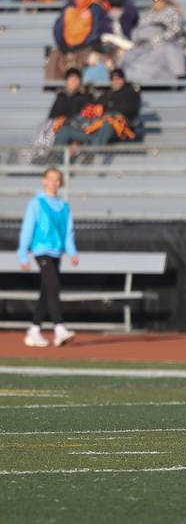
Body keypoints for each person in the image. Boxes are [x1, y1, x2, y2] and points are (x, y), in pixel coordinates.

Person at [17, 167, 79, 348]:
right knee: (54, 286)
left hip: (57, 252)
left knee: (47, 292)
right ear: (44, 180)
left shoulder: (64, 206)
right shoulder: (36, 203)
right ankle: (59, 328)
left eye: (57, 180)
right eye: (51, 179)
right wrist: (23, 254)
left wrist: (72, 252)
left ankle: (34, 331)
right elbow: (28, 229)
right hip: (41, 250)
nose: (54, 183)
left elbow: (68, 232)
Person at [120, 0, 186, 83]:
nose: (158, 2)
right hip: (147, 44)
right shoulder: (149, 13)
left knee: (165, 50)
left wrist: (156, 39)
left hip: (166, 44)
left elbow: (175, 30)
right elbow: (140, 27)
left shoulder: (173, 12)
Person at [45, 0, 110, 80]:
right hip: (66, 47)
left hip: (86, 47)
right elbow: (58, 28)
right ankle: (54, 86)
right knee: (54, 56)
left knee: (86, 59)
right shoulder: (68, 7)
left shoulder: (95, 8)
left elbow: (96, 30)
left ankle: (81, 87)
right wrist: (63, 46)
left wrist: (82, 45)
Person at [88, 68, 141, 144]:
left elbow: (132, 109)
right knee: (91, 125)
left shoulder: (130, 92)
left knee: (109, 122)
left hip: (124, 128)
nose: (116, 82)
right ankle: (94, 148)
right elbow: (97, 107)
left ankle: (95, 150)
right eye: (113, 79)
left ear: (123, 79)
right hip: (107, 126)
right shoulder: (107, 95)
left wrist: (111, 113)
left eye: (118, 79)